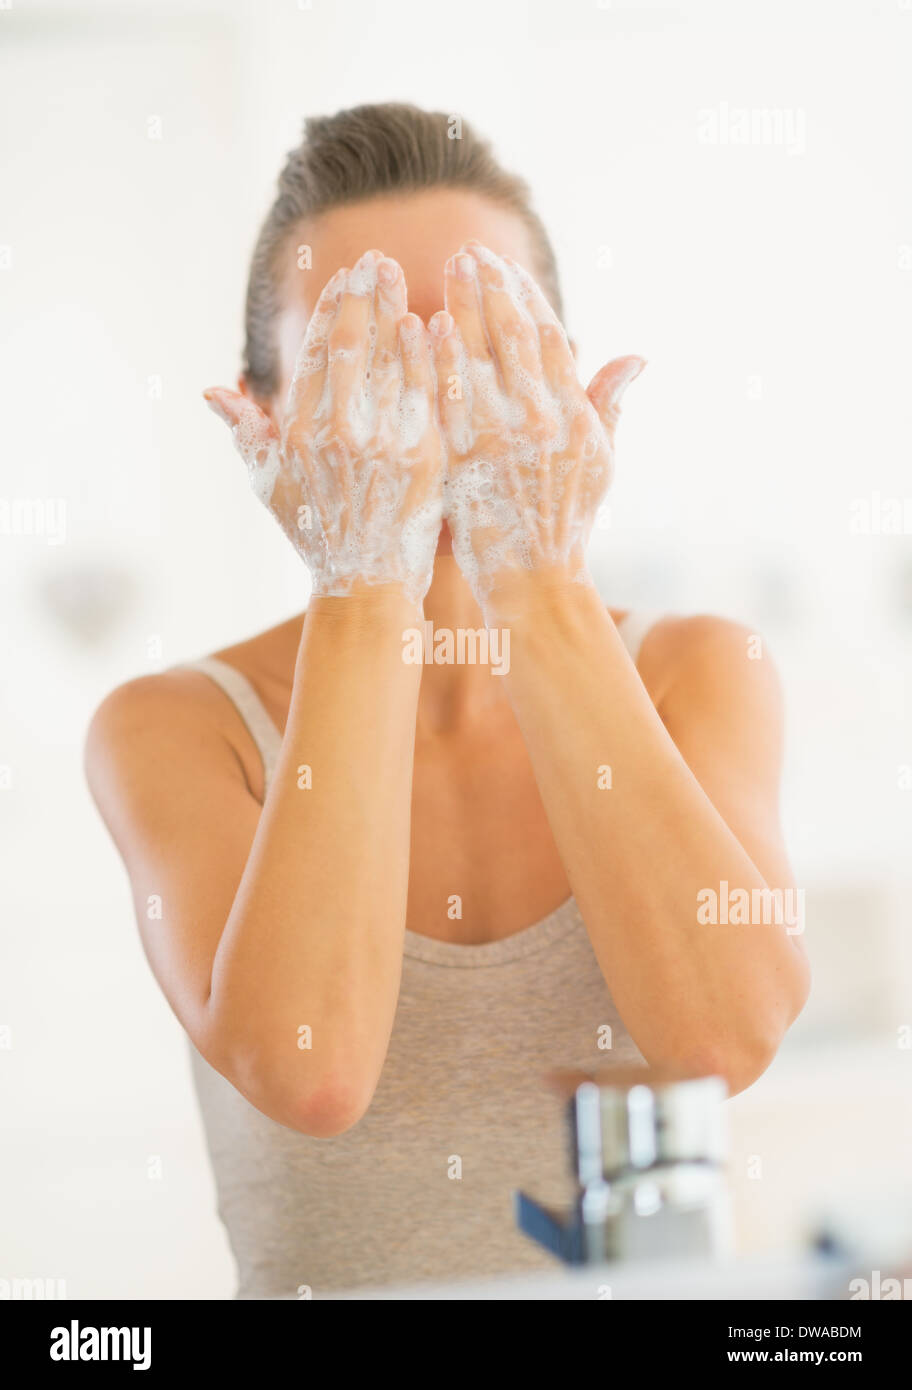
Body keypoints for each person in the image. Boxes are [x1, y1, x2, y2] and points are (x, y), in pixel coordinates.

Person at [85, 103, 810, 1298]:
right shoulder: (175, 726)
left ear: (570, 392)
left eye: (481, 344)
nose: (423, 409)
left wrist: (536, 579)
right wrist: (365, 583)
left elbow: (724, 1041)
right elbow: (310, 1071)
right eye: (365, 359)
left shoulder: (703, 669)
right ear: (263, 421)